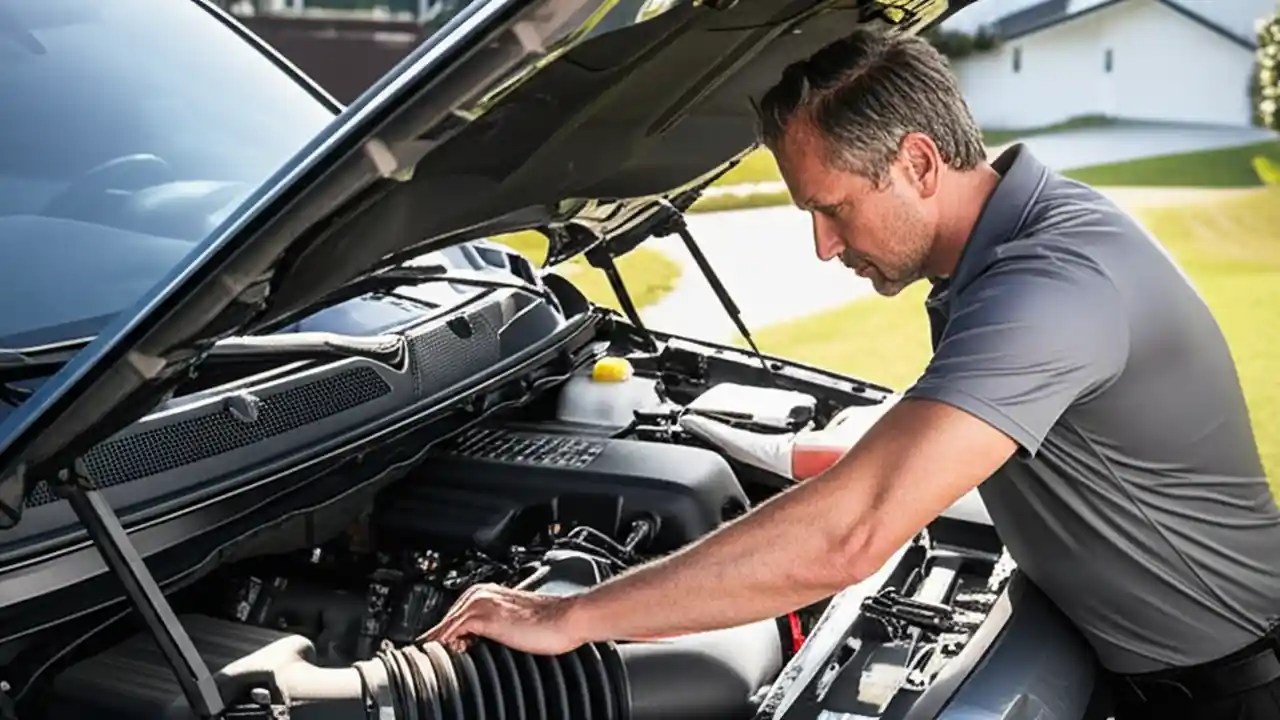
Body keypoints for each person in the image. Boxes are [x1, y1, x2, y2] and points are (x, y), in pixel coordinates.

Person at [422, 28, 1280, 718]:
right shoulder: (1014, 246)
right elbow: (928, 450)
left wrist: (568, 614)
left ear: (915, 163)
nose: (824, 245)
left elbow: (850, 536)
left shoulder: (1050, 288)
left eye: (831, 209)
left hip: (1233, 686)